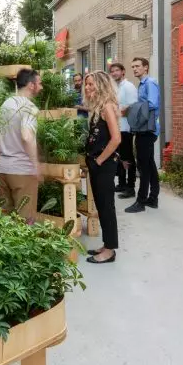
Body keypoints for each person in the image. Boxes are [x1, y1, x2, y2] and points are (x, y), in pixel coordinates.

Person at [0, 69, 43, 221]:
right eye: (39, 83)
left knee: (4, 219)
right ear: (31, 85)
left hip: (3, 169)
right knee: (25, 221)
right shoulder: (29, 107)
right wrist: (35, 165)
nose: (41, 87)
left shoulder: (5, 105)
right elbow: (27, 137)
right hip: (23, 170)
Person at [83, 71, 122, 263]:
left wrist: (99, 161)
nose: (88, 88)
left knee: (107, 207)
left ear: (102, 85)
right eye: (87, 84)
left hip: (104, 164)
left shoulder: (107, 106)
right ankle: (106, 245)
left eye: (91, 84)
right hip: (96, 163)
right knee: (101, 205)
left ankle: (110, 251)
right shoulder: (97, 106)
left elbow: (116, 139)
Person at [126, 57, 161, 213]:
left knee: (143, 167)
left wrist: (133, 107)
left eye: (138, 66)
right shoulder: (141, 84)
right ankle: (153, 198)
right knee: (150, 166)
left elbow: (152, 104)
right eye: (133, 66)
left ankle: (140, 202)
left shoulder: (150, 83)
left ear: (146, 67)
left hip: (148, 130)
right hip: (143, 129)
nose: (135, 69)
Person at [109, 62, 138, 197]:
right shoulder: (116, 87)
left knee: (128, 158)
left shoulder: (128, 86)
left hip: (126, 128)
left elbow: (132, 108)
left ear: (123, 71)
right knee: (119, 157)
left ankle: (130, 187)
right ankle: (121, 184)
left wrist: (116, 113)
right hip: (117, 127)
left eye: (117, 71)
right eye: (112, 71)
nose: (114, 73)